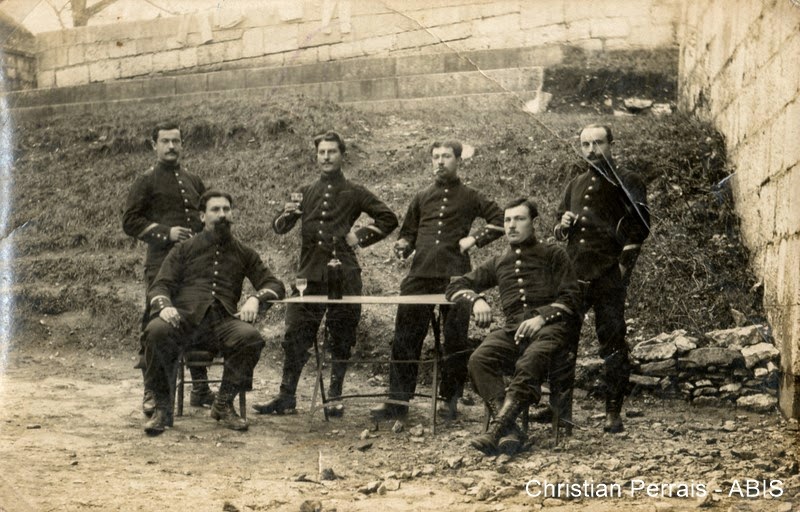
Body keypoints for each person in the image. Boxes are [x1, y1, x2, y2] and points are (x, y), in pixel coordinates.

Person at [253, 131, 398, 417]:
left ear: (342, 155)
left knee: (342, 335)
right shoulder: (305, 192)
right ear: (316, 156)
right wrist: (289, 216)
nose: (327, 157)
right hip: (308, 276)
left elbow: (388, 218)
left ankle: (335, 396)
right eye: (322, 152)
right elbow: (279, 228)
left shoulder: (355, 191)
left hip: (342, 275)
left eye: (332, 152)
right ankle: (286, 396)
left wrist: (360, 235)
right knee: (295, 332)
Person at [370, 140, 504, 422]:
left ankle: (450, 399)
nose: (440, 161)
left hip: (455, 277)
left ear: (458, 160)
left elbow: (501, 220)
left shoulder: (471, 195)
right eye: (435, 157)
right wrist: (403, 246)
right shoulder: (420, 197)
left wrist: (475, 239)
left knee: (455, 340)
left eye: (446, 156)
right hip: (419, 276)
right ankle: (398, 400)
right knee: (405, 338)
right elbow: (407, 233)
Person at [142, 190, 286, 435]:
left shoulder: (243, 252)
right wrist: (165, 307)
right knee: (156, 329)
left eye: (226, 210)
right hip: (184, 321)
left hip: (223, 323)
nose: (222, 215)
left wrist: (254, 299)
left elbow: (275, 285)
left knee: (250, 337)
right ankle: (163, 410)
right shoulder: (183, 250)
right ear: (202, 216)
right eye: (215, 210)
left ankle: (223, 403)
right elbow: (159, 285)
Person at [445, 198, 581, 455]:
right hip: (513, 331)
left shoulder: (553, 254)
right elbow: (454, 287)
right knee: (479, 359)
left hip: (552, 329)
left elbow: (572, 298)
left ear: (533, 223)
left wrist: (542, 317)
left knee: (530, 360)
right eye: (507, 220)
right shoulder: (499, 261)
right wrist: (476, 301)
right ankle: (510, 430)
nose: (511, 225)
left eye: (519, 219)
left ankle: (497, 430)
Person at [554, 123, 650, 433]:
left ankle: (612, 413)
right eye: (586, 145)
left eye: (598, 143)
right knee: (563, 341)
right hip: (575, 276)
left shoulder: (629, 181)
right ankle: (561, 412)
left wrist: (622, 269)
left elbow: (640, 227)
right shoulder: (575, 184)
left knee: (613, 343)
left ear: (611, 144)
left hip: (608, 276)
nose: (592, 151)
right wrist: (563, 224)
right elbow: (558, 230)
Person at [122, 121, 213, 418]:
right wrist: (166, 232)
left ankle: (200, 388)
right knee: (155, 324)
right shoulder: (146, 181)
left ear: (182, 144)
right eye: (165, 141)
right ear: (154, 145)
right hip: (161, 265)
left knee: (196, 316)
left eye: (176, 141)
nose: (171, 146)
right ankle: (151, 390)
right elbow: (130, 221)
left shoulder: (194, 180)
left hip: (193, 267)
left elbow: (204, 216)